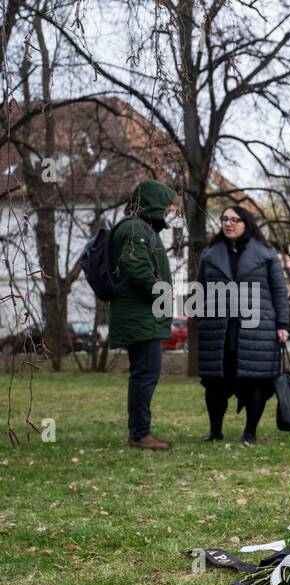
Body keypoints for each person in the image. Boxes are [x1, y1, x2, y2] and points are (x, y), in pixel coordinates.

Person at [194, 206, 290, 445]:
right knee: (215, 381)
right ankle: (215, 431)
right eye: (225, 219)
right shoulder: (210, 254)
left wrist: (282, 324)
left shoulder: (266, 254)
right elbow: (199, 289)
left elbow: (279, 291)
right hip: (218, 329)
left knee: (256, 380)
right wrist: (200, 317)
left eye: (235, 220)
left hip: (258, 328)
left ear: (246, 223)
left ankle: (250, 432)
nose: (229, 224)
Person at [108, 178, 177, 450]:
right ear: (153, 202)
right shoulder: (136, 228)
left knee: (144, 374)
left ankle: (140, 431)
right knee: (146, 374)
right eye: (166, 206)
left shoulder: (140, 227)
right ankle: (140, 433)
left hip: (142, 317)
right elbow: (135, 267)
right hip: (141, 318)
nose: (169, 211)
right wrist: (162, 292)